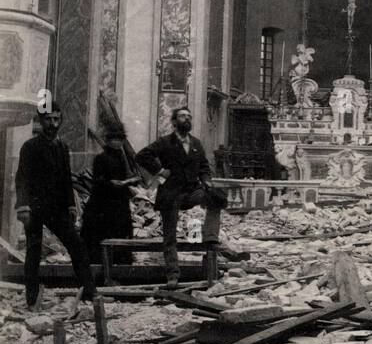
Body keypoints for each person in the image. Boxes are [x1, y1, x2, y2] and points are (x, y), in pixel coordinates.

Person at [15, 101, 97, 313]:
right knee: (33, 252)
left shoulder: (62, 147)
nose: (53, 123)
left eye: (57, 119)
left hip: (57, 209)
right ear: (41, 121)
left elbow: (66, 180)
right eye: (49, 119)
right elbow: (22, 178)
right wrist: (22, 206)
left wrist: (71, 205)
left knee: (77, 245)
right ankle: (31, 299)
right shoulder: (30, 147)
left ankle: (90, 293)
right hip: (34, 209)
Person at [135, 106, 228, 288]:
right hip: (171, 193)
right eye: (182, 116)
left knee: (216, 197)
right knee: (169, 237)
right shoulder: (164, 142)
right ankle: (173, 275)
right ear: (174, 122)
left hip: (192, 192)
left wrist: (207, 181)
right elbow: (141, 156)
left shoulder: (196, 144)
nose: (187, 119)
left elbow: (204, 167)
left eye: (189, 116)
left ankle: (210, 237)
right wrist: (160, 170)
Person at [81, 130, 140, 267]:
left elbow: (128, 175)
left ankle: (119, 263)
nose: (117, 143)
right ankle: (98, 262)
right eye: (114, 139)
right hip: (102, 201)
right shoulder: (101, 158)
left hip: (119, 201)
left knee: (119, 232)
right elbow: (97, 179)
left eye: (120, 140)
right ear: (108, 141)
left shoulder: (122, 157)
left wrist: (129, 181)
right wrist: (110, 183)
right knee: (100, 233)